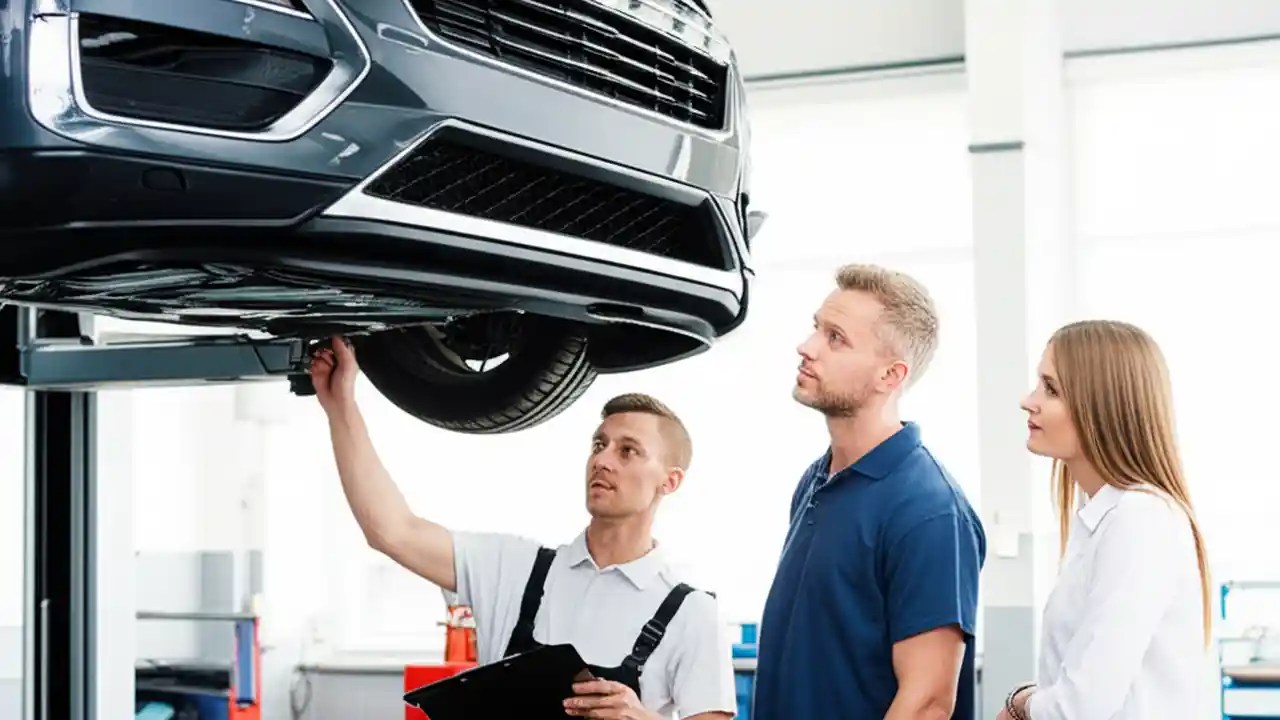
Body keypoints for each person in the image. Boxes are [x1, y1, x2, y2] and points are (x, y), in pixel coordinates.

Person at [309, 336, 737, 720]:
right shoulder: (514, 570)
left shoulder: (691, 614)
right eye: (599, 444)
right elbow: (392, 530)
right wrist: (340, 406)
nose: (603, 460)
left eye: (629, 451)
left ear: (670, 481)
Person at [752, 263, 987, 720]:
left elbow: (927, 705)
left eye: (835, 337)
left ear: (890, 376)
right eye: (816, 328)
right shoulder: (815, 481)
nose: (807, 347)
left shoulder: (931, 511)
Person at [999, 320, 1211, 720]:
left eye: (1051, 388)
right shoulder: (1102, 517)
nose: (1029, 401)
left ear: (1102, 405)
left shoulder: (1141, 519)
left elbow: (1081, 706)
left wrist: (1023, 703)